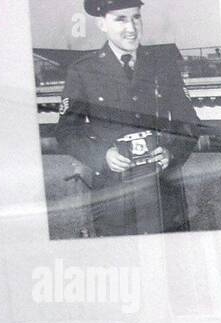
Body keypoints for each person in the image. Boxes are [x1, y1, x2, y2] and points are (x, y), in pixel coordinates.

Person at [55, 0, 202, 236]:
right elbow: (66, 132)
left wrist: (171, 153)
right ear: (101, 23)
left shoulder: (162, 66)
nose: (131, 27)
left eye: (136, 17)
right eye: (120, 19)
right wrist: (103, 156)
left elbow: (189, 123)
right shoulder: (83, 72)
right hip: (114, 197)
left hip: (163, 194)